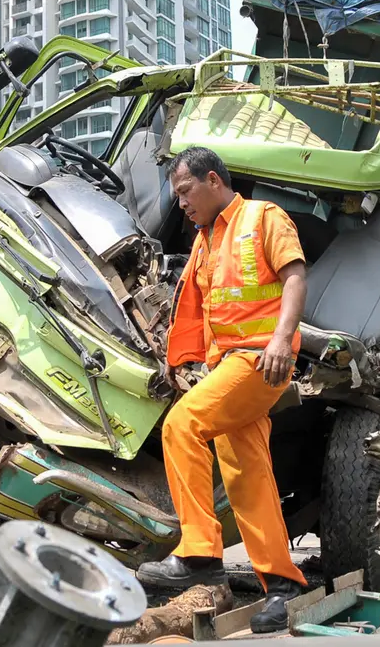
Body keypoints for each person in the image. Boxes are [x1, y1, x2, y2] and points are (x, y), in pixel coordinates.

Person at [136, 147, 309, 634]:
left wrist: (280, 338)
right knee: (247, 477)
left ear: (213, 180)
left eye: (186, 192)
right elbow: (194, 305)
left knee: (182, 426)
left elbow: (295, 275)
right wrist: (180, 359)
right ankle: (283, 586)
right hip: (226, 366)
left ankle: (199, 554)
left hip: (259, 359)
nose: (182, 204)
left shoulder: (262, 218)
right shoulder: (205, 240)